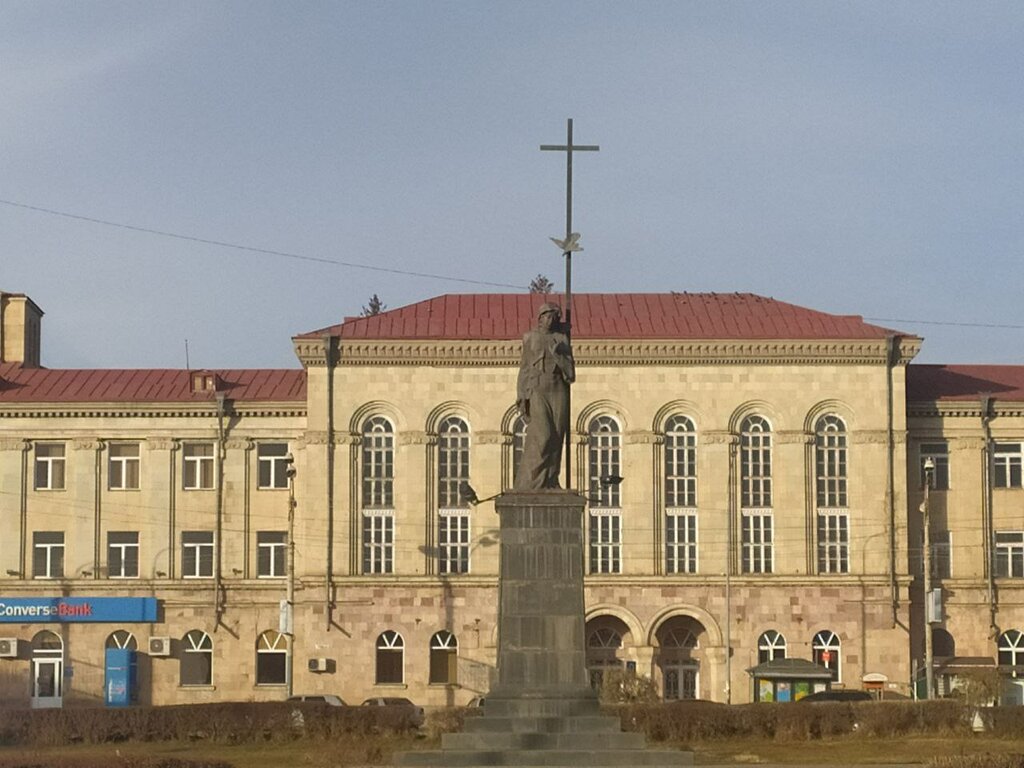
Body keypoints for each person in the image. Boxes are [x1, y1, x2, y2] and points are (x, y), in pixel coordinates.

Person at [514, 303, 575, 491]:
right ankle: (530, 483)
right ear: (539, 319)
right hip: (538, 388)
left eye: (553, 317)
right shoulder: (530, 338)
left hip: (558, 389)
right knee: (544, 435)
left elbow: (571, 374)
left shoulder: (561, 339)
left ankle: (551, 480)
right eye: (546, 317)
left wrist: (559, 356)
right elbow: (524, 368)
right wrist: (522, 395)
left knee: (557, 437)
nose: (550, 320)